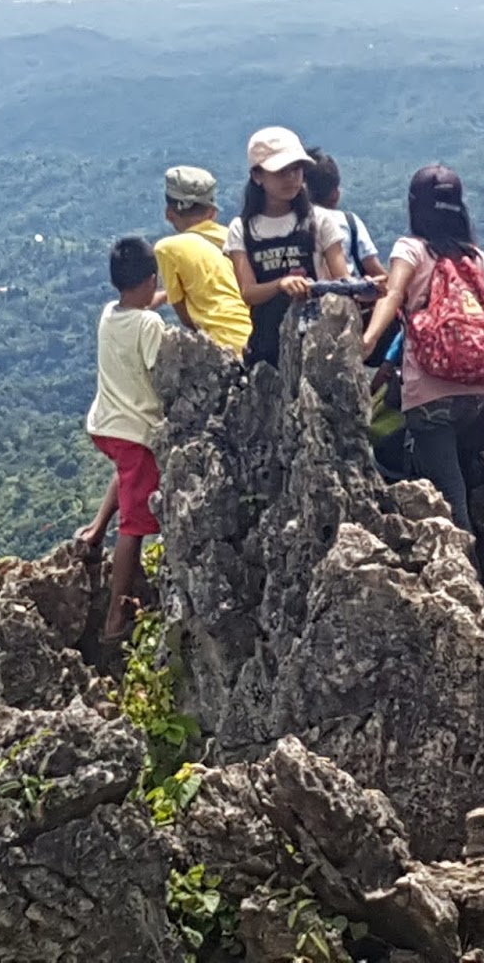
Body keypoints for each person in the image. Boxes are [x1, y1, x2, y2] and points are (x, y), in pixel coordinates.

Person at [362, 165, 484, 532]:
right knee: (464, 472)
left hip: (429, 397)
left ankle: (465, 574)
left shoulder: (410, 250)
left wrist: (369, 339)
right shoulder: (477, 259)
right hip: (481, 396)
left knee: (450, 498)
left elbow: (393, 294)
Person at [81, 238, 168, 642]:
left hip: (104, 425)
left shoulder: (108, 313)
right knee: (134, 526)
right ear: (152, 279)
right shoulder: (150, 325)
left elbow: (140, 311)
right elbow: (162, 370)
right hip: (136, 432)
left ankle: (95, 531)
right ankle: (117, 617)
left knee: (127, 476)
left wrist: (164, 297)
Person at [225, 127, 350, 369]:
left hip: (317, 345)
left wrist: (364, 287)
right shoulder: (242, 229)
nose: (291, 178)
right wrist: (280, 285)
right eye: (281, 172)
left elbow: (341, 279)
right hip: (266, 349)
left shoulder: (320, 221)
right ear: (257, 176)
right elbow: (248, 292)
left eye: (296, 169)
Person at [152, 166, 253, 354]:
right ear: (212, 212)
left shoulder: (168, 249)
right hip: (258, 341)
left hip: (224, 346)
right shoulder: (237, 238)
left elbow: (186, 317)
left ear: (169, 213)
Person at [302, 148, 387, 281]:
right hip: (348, 295)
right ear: (335, 194)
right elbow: (373, 268)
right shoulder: (349, 222)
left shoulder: (290, 223)